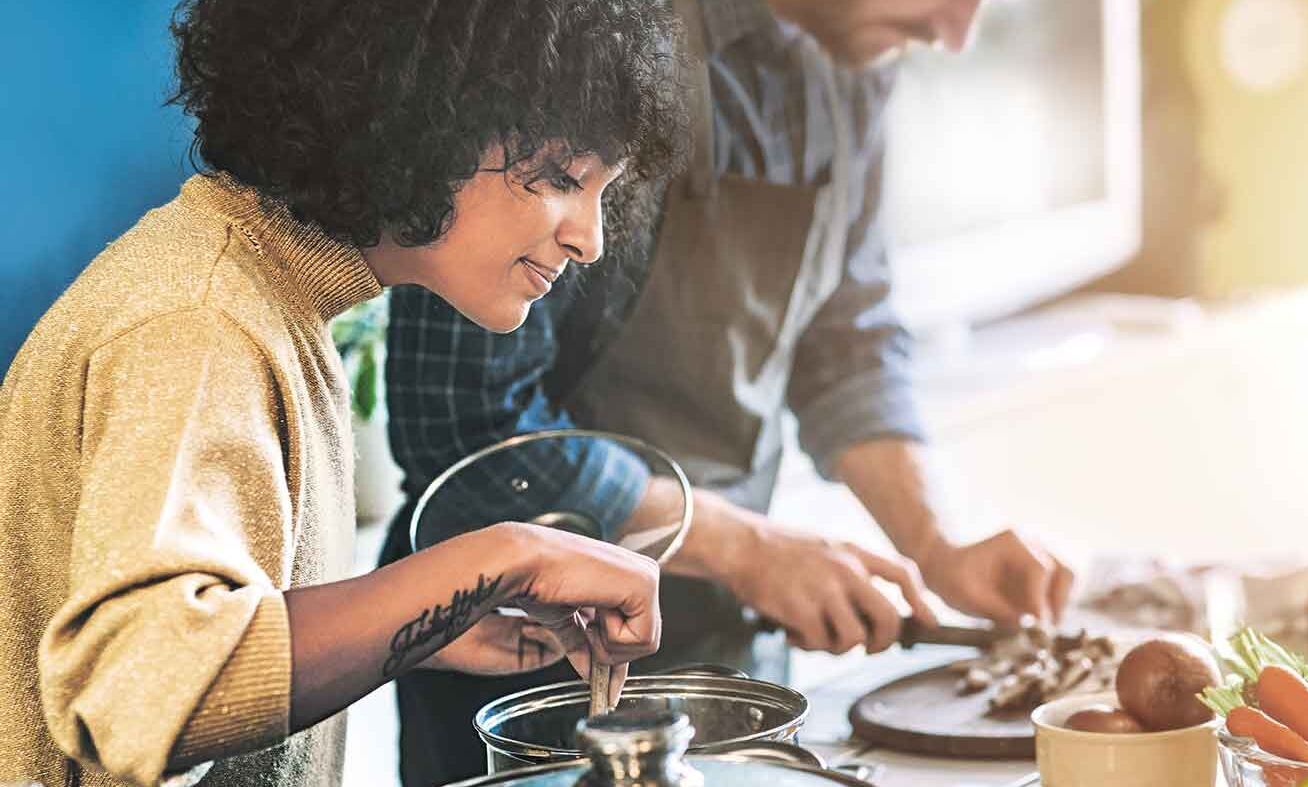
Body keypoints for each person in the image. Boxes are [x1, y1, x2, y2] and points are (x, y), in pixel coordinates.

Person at [384, 0, 1079, 784]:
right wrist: (745, 548)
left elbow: (846, 339)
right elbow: (468, 426)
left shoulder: (855, 61)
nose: (954, 35)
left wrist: (938, 541)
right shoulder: (576, 33)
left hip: (724, 658)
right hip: (527, 673)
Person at [0, 1, 687, 785]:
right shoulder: (199, 320)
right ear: (430, 110)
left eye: (606, 192)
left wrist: (419, 627)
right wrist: (506, 556)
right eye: (565, 177)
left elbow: (234, 614)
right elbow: (140, 687)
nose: (591, 238)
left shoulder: (273, 299)